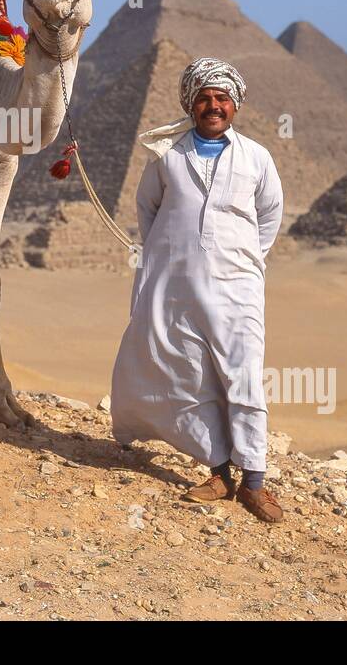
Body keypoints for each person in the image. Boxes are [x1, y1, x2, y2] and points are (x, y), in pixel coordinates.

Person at [110, 57, 286, 522]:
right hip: (179, 287)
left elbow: (269, 217)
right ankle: (218, 471)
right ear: (191, 103)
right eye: (205, 98)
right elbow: (147, 208)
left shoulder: (256, 157)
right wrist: (174, 252)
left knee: (244, 374)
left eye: (222, 98)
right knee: (192, 375)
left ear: (235, 105)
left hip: (238, 289)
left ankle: (254, 482)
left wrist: (242, 257)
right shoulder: (166, 155)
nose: (214, 105)